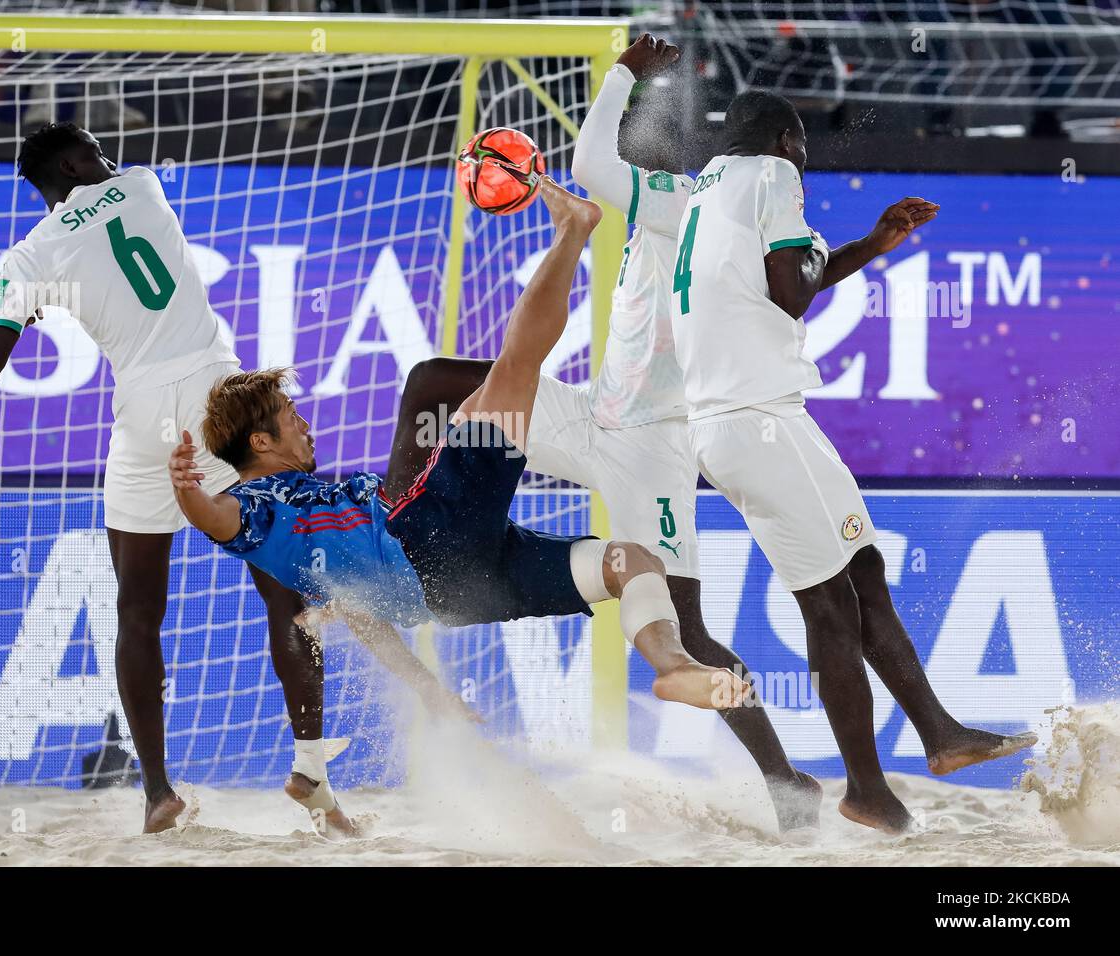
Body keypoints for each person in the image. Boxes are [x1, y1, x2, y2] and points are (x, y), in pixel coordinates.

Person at [381, 34, 824, 832]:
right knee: (436, 384)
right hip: (591, 413)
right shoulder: (711, 203)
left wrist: (623, 73)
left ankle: (788, 780)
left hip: (653, 445)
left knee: (687, 629)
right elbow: (595, 174)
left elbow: (590, 164)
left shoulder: (693, 203)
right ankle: (394, 530)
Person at [169, 181, 751, 788]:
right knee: (475, 374)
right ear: (260, 444)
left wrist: (429, 690)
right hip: (428, 535)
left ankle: (673, 664)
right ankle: (576, 229)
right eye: (293, 420)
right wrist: (187, 490)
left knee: (633, 561)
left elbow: (371, 622)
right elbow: (213, 518)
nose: (306, 426)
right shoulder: (253, 507)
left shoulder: (319, 556)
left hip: (466, 588)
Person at [672, 88, 1036, 833]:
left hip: (733, 426)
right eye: (801, 144)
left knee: (860, 572)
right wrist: (813, 245)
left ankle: (937, 735)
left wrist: (871, 246)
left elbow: (768, 289)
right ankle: (869, 785)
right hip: (762, 418)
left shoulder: (703, 193)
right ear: (782, 139)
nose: (803, 158)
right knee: (831, 602)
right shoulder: (772, 176)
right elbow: (792, 291)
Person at [0, 123, 341, 834]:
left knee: (138, 611)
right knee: (282, 585)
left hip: (142, 413)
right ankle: (311, 764)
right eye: (96, 152)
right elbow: (108, 238)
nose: (110, 159)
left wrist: (31, 298)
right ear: (79, 163)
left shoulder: (27, 256)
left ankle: (158, 794)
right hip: (218, 393)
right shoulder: (141, 185)